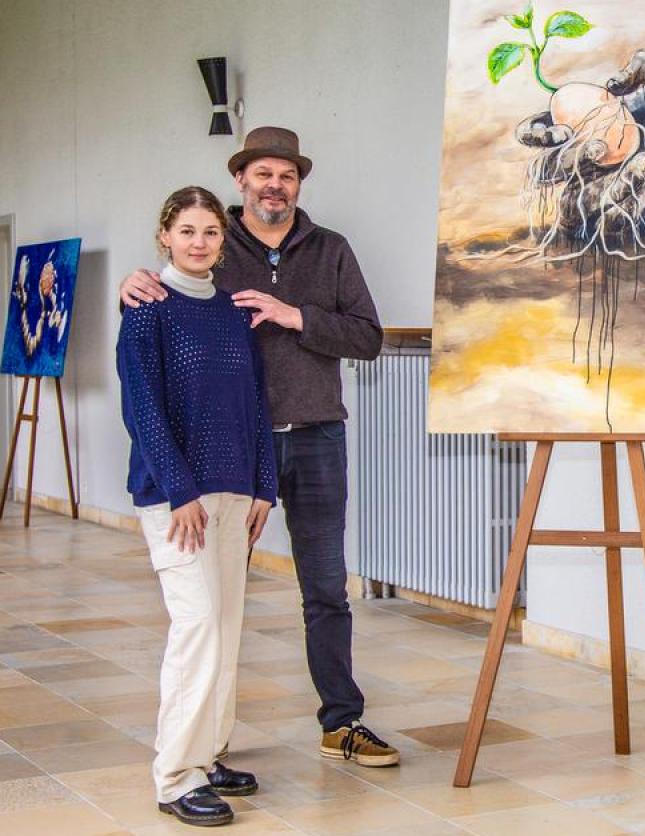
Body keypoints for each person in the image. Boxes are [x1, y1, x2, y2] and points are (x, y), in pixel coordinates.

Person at [120, 127, 397, 768]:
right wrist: (134, 282)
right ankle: (209, 742)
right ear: (240, 178)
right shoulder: (215, 245)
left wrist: (295, 314)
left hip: (318, 436)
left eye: (287, 176)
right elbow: (170, 298)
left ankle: (342, 723)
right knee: (215, 601)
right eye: (263, 174)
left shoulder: (330, 250)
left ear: (299, 183)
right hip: (233, 451)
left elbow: (368, 337)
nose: (275, 185)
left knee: (326, 586)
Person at [118, 186, 277, 827]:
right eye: (186, 231)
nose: (199, 242)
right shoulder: (146, 309)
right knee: (199, 626)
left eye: (210, 232)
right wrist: (180, 492)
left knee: (228, 629)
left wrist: (264, 485)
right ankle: (175, 776)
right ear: (164, 236)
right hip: (173, 495)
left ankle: (209, 755)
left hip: (235, 490)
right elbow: (142, 409)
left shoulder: (235, 312)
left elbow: (256, 403)